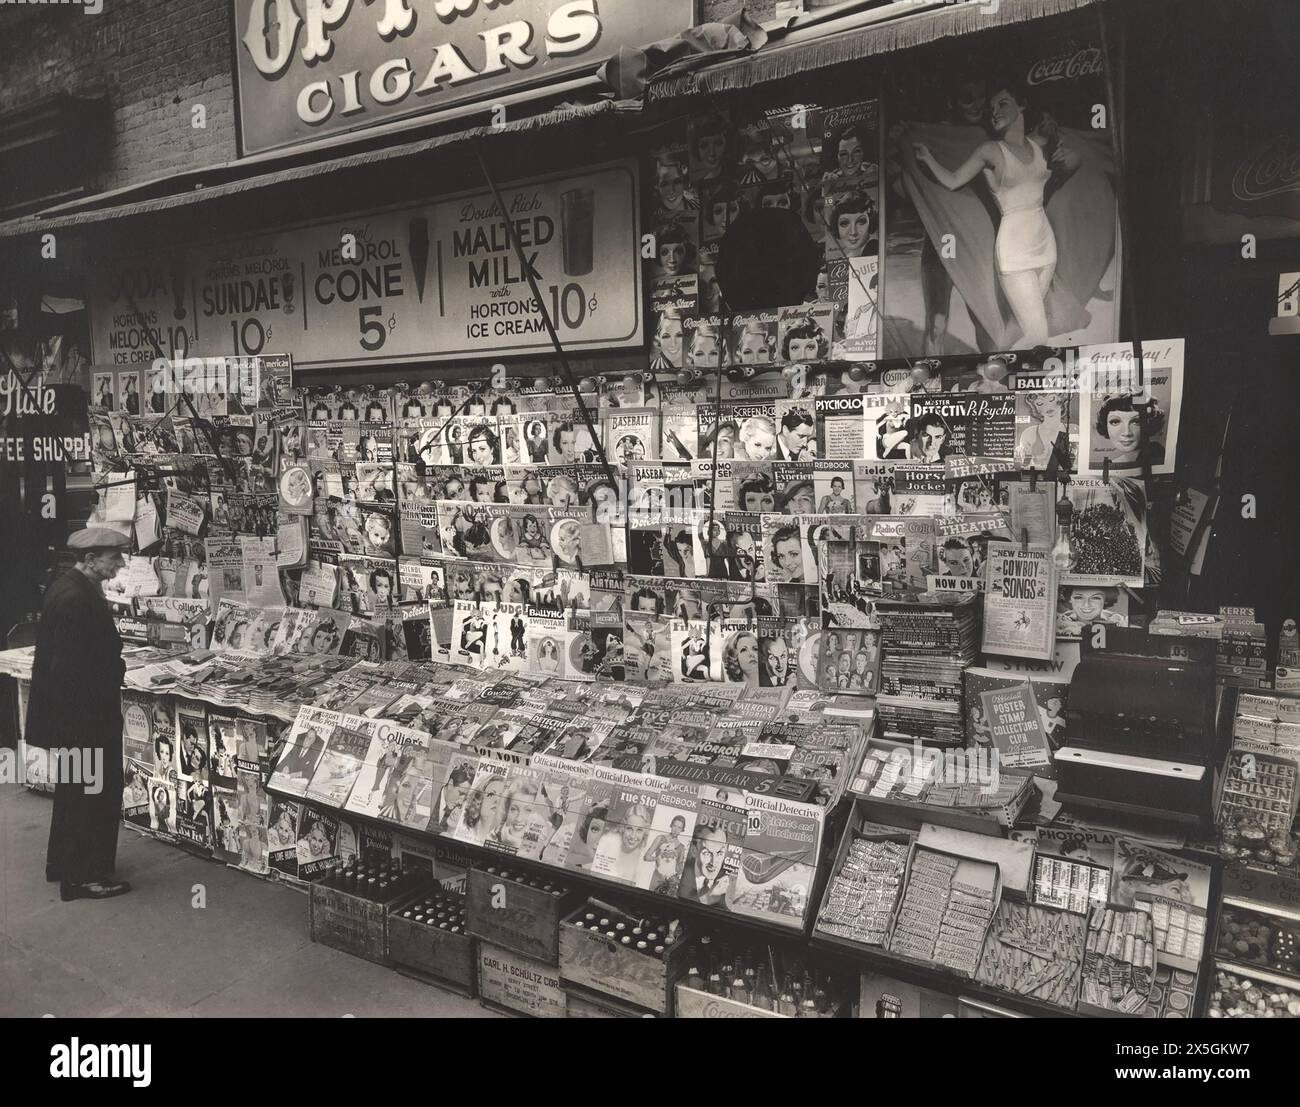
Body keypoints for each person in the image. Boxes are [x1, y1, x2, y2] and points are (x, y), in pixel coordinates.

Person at [912, 74, 1080, 347]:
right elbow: (953, 181)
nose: (995, 112)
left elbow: (1073, 161)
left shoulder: (1039, 144)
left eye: (1003, 104)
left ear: (1022, 105)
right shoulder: (989, 150)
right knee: (1037, 333)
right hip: (1014, 252)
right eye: (992, 109)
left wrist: (1070, 159)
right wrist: (927, 158)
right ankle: (1005, 380)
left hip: (1046, 246)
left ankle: (997, 377)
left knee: (1023, 328)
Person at [27, 527, 131, 901]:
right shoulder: (76, 598)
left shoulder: (68, 586)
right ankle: (85, 877)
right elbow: (72, 669)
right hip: (84, 718)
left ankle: (63, 864)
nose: (119, 564)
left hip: (73, 717)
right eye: (113, 557)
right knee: (95, 793)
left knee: (74, 793)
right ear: (90, 560)